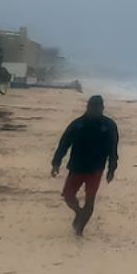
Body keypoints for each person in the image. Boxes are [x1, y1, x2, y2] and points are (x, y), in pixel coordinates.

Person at [51, 95, 118, 236]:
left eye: (97, 108)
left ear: (102, 108)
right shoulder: (77, 124)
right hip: (77, 167)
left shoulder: (109, 126)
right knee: (68, 196)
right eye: (92, 107)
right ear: (87, 107)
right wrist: (56, 163)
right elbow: (64, 144)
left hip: (96, 169)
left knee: (90, 199)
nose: (94, 110)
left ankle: (79, 230)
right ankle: (79, 212)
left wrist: (111, 169)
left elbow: (113, 149)